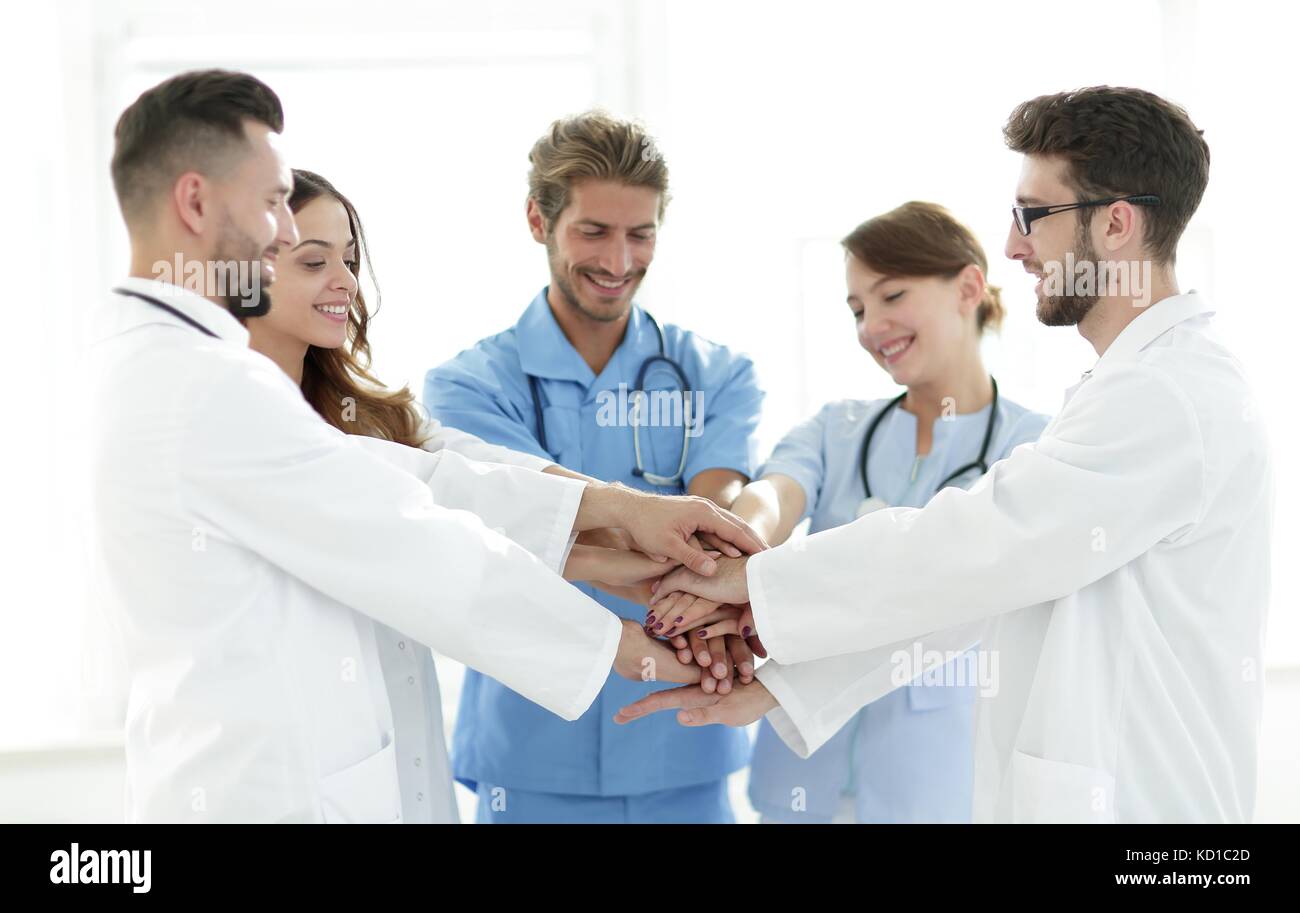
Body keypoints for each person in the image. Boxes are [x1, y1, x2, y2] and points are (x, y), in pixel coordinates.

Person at [90, 69, 762, 822]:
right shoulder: (208, 386)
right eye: (276, 201)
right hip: (262, 792)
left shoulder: (194, 374)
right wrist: (623, 644)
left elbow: (424, 475)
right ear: (194, 201)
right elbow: (413, 537)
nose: (284, 229)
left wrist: (616, 518)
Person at [618, 86, 1273, 824]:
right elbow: (990, 583)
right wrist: (787, 685)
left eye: (1033, 215)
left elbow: (973, 545)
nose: (1014, 246)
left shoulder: (1165, 397)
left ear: (1116, 223)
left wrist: (750, 580)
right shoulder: (1129, 388)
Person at [243, 168, 675, 821]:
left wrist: (631, 533)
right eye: (314, 261)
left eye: (350, 260)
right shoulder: (247, 427)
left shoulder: (369, 410)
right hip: (286, 776)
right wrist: (622, 624)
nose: (346, 282)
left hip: (396, 766)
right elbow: (427, 524)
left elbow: (472, 469)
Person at [424, 111, 766, 823]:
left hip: (684, 747)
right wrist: (676, 553)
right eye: (593, 231)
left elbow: (718, 522)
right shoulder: (471, 385)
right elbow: (505, 529)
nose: (618, 261)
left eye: (640, 234)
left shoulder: (719, 374)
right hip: (531, 750)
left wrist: (670, 548)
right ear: (537, 220)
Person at [663, 202, 1048, 823]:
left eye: (891, 295)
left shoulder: (1033, 448)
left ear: (969, 286)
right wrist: (732, 547)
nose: (872, 326)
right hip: (798, 775)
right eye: (858, 309)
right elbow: (776, 495)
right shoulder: (836, 429)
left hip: (934, 783)